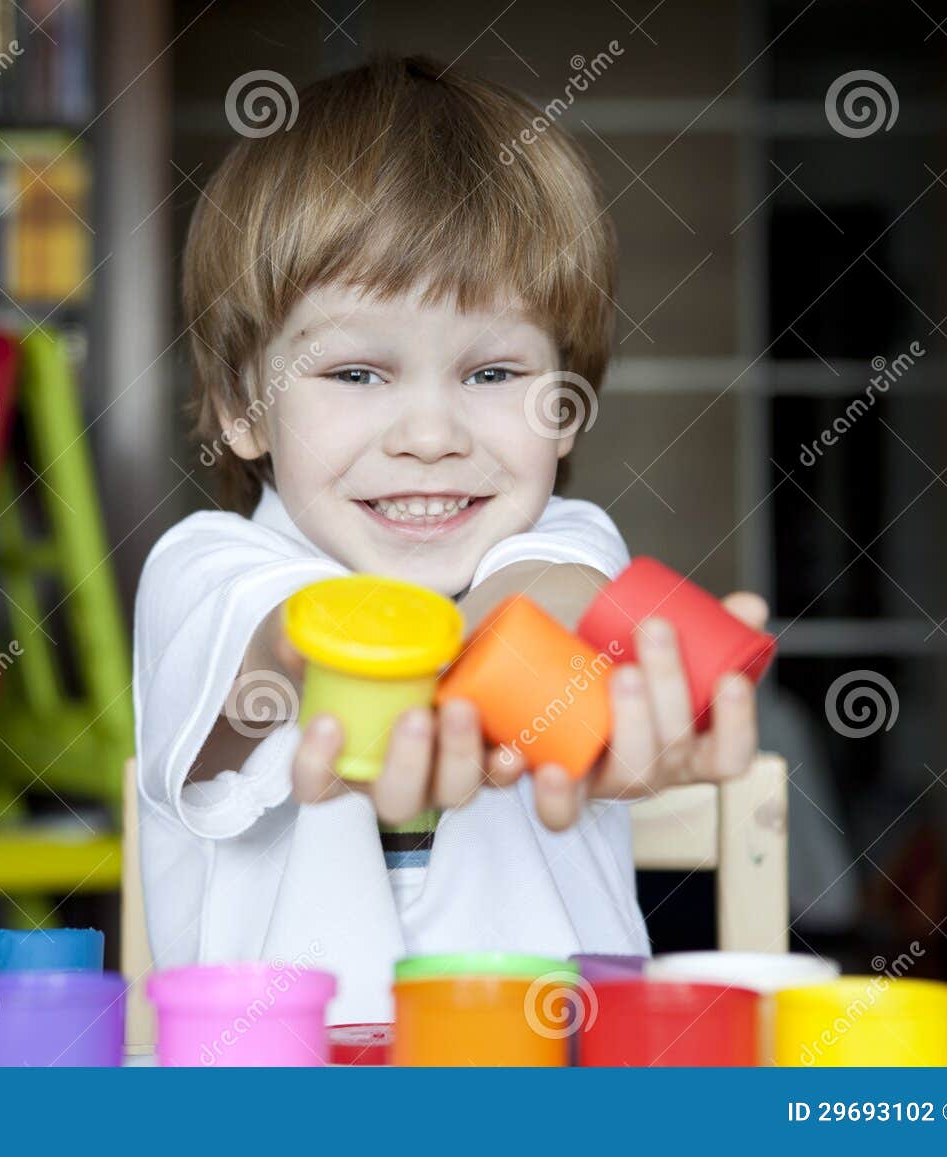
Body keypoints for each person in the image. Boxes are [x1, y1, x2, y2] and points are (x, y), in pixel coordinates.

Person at [134, 56, 768, 1021]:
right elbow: (279, 643)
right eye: (356, 373)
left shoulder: (567, 538)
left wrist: (586, 663)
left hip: (550, 1078)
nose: (431, 436)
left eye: (492, 373)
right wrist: (335, 662)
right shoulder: (204, 569)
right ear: (241, 407)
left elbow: (553, 591)